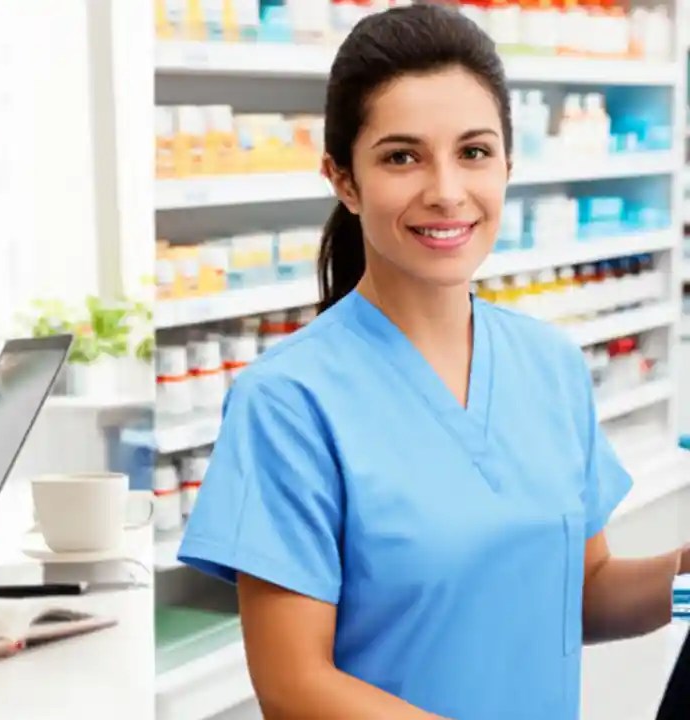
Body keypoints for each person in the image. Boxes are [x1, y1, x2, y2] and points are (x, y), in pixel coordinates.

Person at [177, 6, 689, 719]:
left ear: (508, 165)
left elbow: (581, 592)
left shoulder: (550, 365)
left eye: (473, 152)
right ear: (344, 180)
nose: (446, 190)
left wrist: (685, 572)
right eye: (402, 156)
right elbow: (294, 687)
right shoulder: (288, 400)